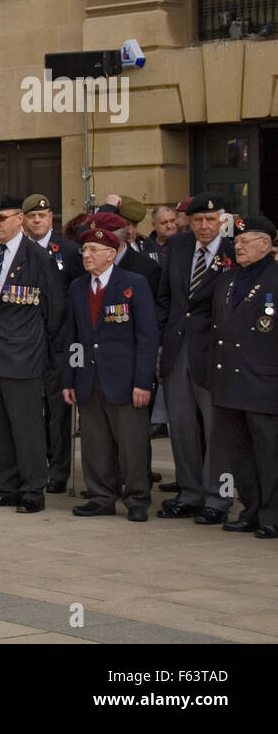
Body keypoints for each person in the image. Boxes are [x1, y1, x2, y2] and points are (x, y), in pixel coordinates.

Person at [0, 195, 66, 514]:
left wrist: (41, 350)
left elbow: (55, 309)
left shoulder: (38, 257)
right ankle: (7, 486)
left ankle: (33, 489)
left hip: (22, 353)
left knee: (27, 427)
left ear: (19, 219)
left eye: (1, 218)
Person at [63, 228, 157, 520]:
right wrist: (70, 377)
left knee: (132, 443)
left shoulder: (133, 284)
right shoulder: (78, 286)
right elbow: (73, 336)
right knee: (95, 441)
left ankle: (137, 498)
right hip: (89, 376)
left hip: (125, 379)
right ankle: (101, 495)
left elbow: (147, 336)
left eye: (93, 250)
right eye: (84, 250)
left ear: (110, 254)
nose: (87, 255)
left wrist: (143, 381)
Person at [156, 191, 235, 523]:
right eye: (198, 220)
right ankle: (189, 491)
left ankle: (219, 497)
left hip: (215, 351)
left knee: (219, 428)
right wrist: (161, 343)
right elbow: (166, 297)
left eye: (211, 220)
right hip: (178, 347)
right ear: (188, 221)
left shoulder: (233, 251)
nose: (204, 226)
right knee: (182, 425)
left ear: (222, 221)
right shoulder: (178, 246)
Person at [207, 216, 278, 538]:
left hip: (264, 381)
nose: (239, 247)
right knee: (239, 452)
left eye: (246, 241)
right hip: (230, 380)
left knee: (268, 451)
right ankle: (250, 509)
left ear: (265, 243)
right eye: (236, 242)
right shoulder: (228, 279)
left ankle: (272, 515)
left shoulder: (274, 278)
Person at [22, 193, 81, 492]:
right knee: (31, 410)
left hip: (59, 342)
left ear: (51, 218)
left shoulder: (68, 251)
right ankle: (34, 466)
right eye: (32, 216)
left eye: (42, 216)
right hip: (27, 342)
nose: (37, 221)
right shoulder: (17, 251)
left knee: (58, 414)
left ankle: (59, 472)